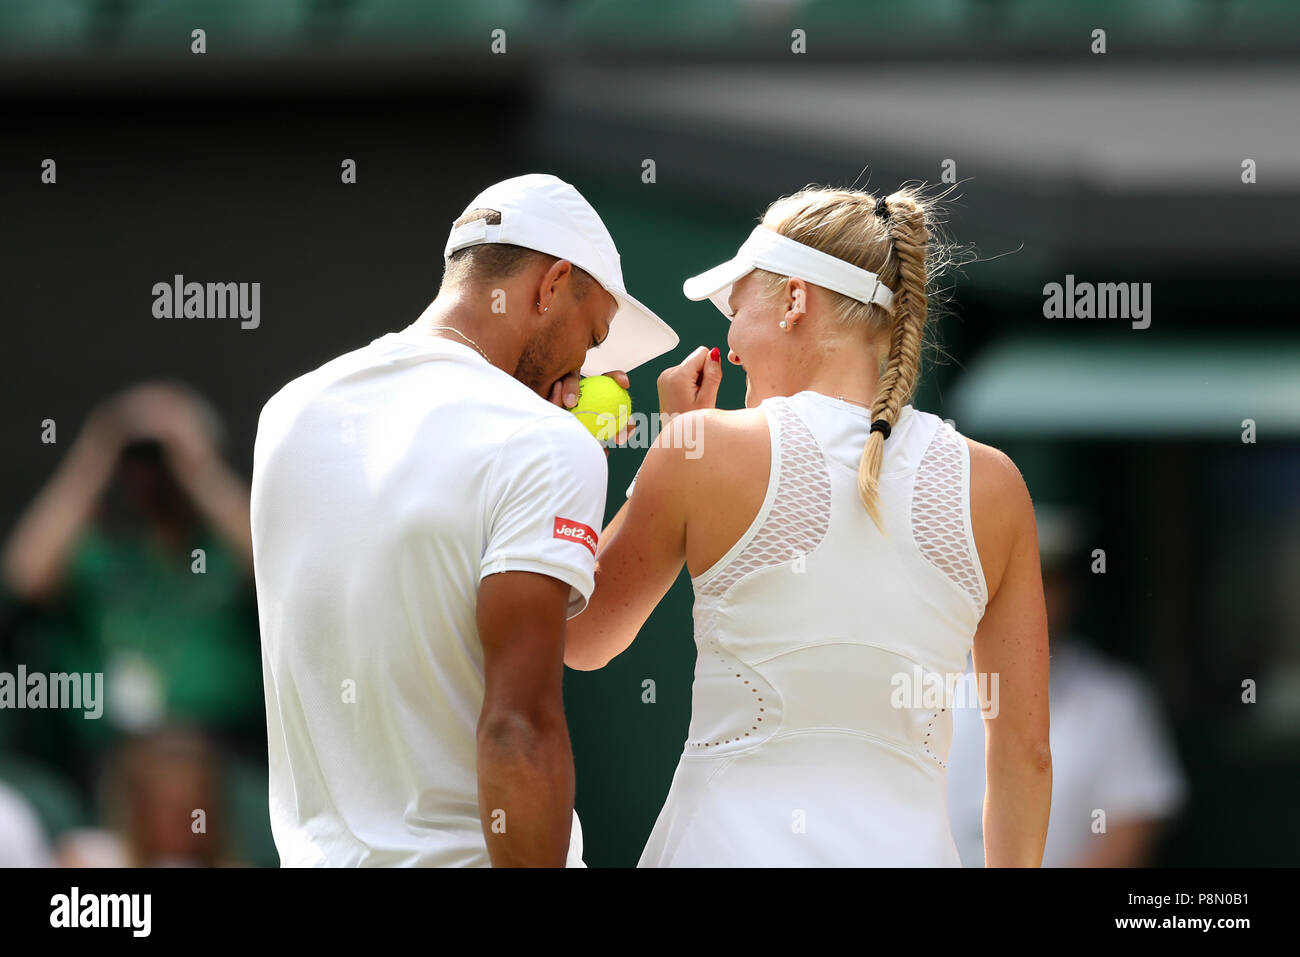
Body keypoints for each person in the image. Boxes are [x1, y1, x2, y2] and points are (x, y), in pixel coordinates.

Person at [564, 185, 1052, 866]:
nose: (729, 349)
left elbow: (581, 635)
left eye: (736, 311)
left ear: (795, 301)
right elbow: (1025, 755)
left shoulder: (701, 452)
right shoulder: (997, 485)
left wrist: (672, 442)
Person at [251, 173, 677, 867]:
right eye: (593, 336)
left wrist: (550, 443)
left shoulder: (288, 414)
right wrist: (558, 447)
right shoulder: (543, 443)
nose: (586, 367)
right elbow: (519, 730)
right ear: (550, 285)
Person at [946, 507, 1188, 866]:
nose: (1022, 597)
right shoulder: (926, 682)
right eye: (1003, 577)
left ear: (1069, 591)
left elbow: (1133, 822)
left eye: (1044, 581)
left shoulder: (1115, 700)